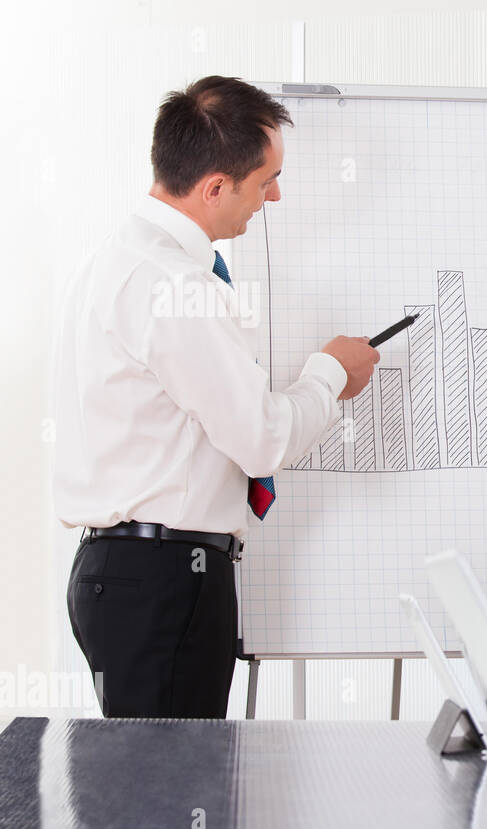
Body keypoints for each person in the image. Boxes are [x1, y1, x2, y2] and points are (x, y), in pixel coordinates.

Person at [53, 76, 380, 719]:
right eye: (266, 180)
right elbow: (261, 438)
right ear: (214, 188)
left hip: (129, 573)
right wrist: (330, 375)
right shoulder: (174, 285)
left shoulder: (112, 264)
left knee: (146, 796)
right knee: (170, 799)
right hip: (164, 581)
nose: (274, 195)